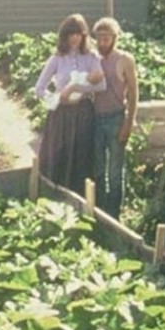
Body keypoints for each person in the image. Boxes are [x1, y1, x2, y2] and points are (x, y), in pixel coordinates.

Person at [33, 14, 106, 195]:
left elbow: (102, 85)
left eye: (78, 34)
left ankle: (80, 197)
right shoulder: (57, 58)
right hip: (62, 115)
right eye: (70, 33)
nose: (74, 38)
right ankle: (54, 193)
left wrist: (77, 87)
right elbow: (39, 88)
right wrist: (57, 98)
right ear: (64, 36)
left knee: (81, 154)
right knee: (59, 154)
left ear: (84, 36)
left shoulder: (91, 57)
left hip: (83, 113)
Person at [90, 17, 139, 218]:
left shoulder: (124, 60)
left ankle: (114, 214)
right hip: (96, 118)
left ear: (115, 38)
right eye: (99, 38)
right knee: (98, 169)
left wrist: (129, 122)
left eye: (107, 38)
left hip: (116, 118)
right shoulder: (93, 58)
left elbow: (134, 93)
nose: (103, 42)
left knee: (115, 171)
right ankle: (100, 211)